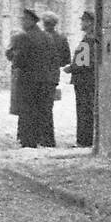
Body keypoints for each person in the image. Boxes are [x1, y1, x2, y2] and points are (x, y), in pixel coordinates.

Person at [5, 8, 48, 147]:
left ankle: (27, 140)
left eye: (24, 19)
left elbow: (19, 58)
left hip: (26, 78)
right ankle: (35, 138)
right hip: (41, 78)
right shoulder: (45, 36)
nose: (22, 22)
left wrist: (12, 56)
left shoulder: (23, 37)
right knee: (36, 108)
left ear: (30, 21)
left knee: (26, 109)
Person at [65, 10, 98, 147]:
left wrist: (70, 68)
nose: (81, 23)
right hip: (87, 80)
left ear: (89, 22)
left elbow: (82, 62)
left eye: (83, 21)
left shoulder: (88, 40)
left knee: (84, 111)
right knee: (86, 110)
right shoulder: (91, 38)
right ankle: (85, 140)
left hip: (83, 81)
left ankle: (84, 140)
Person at [39, 13, 70, 147]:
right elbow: (66, 60)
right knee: (47, 107)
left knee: (40, 107)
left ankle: (44, 138)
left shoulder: (40, 37)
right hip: (52, 76)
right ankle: (48, 139)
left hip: (39, 76)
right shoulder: (62, 38)